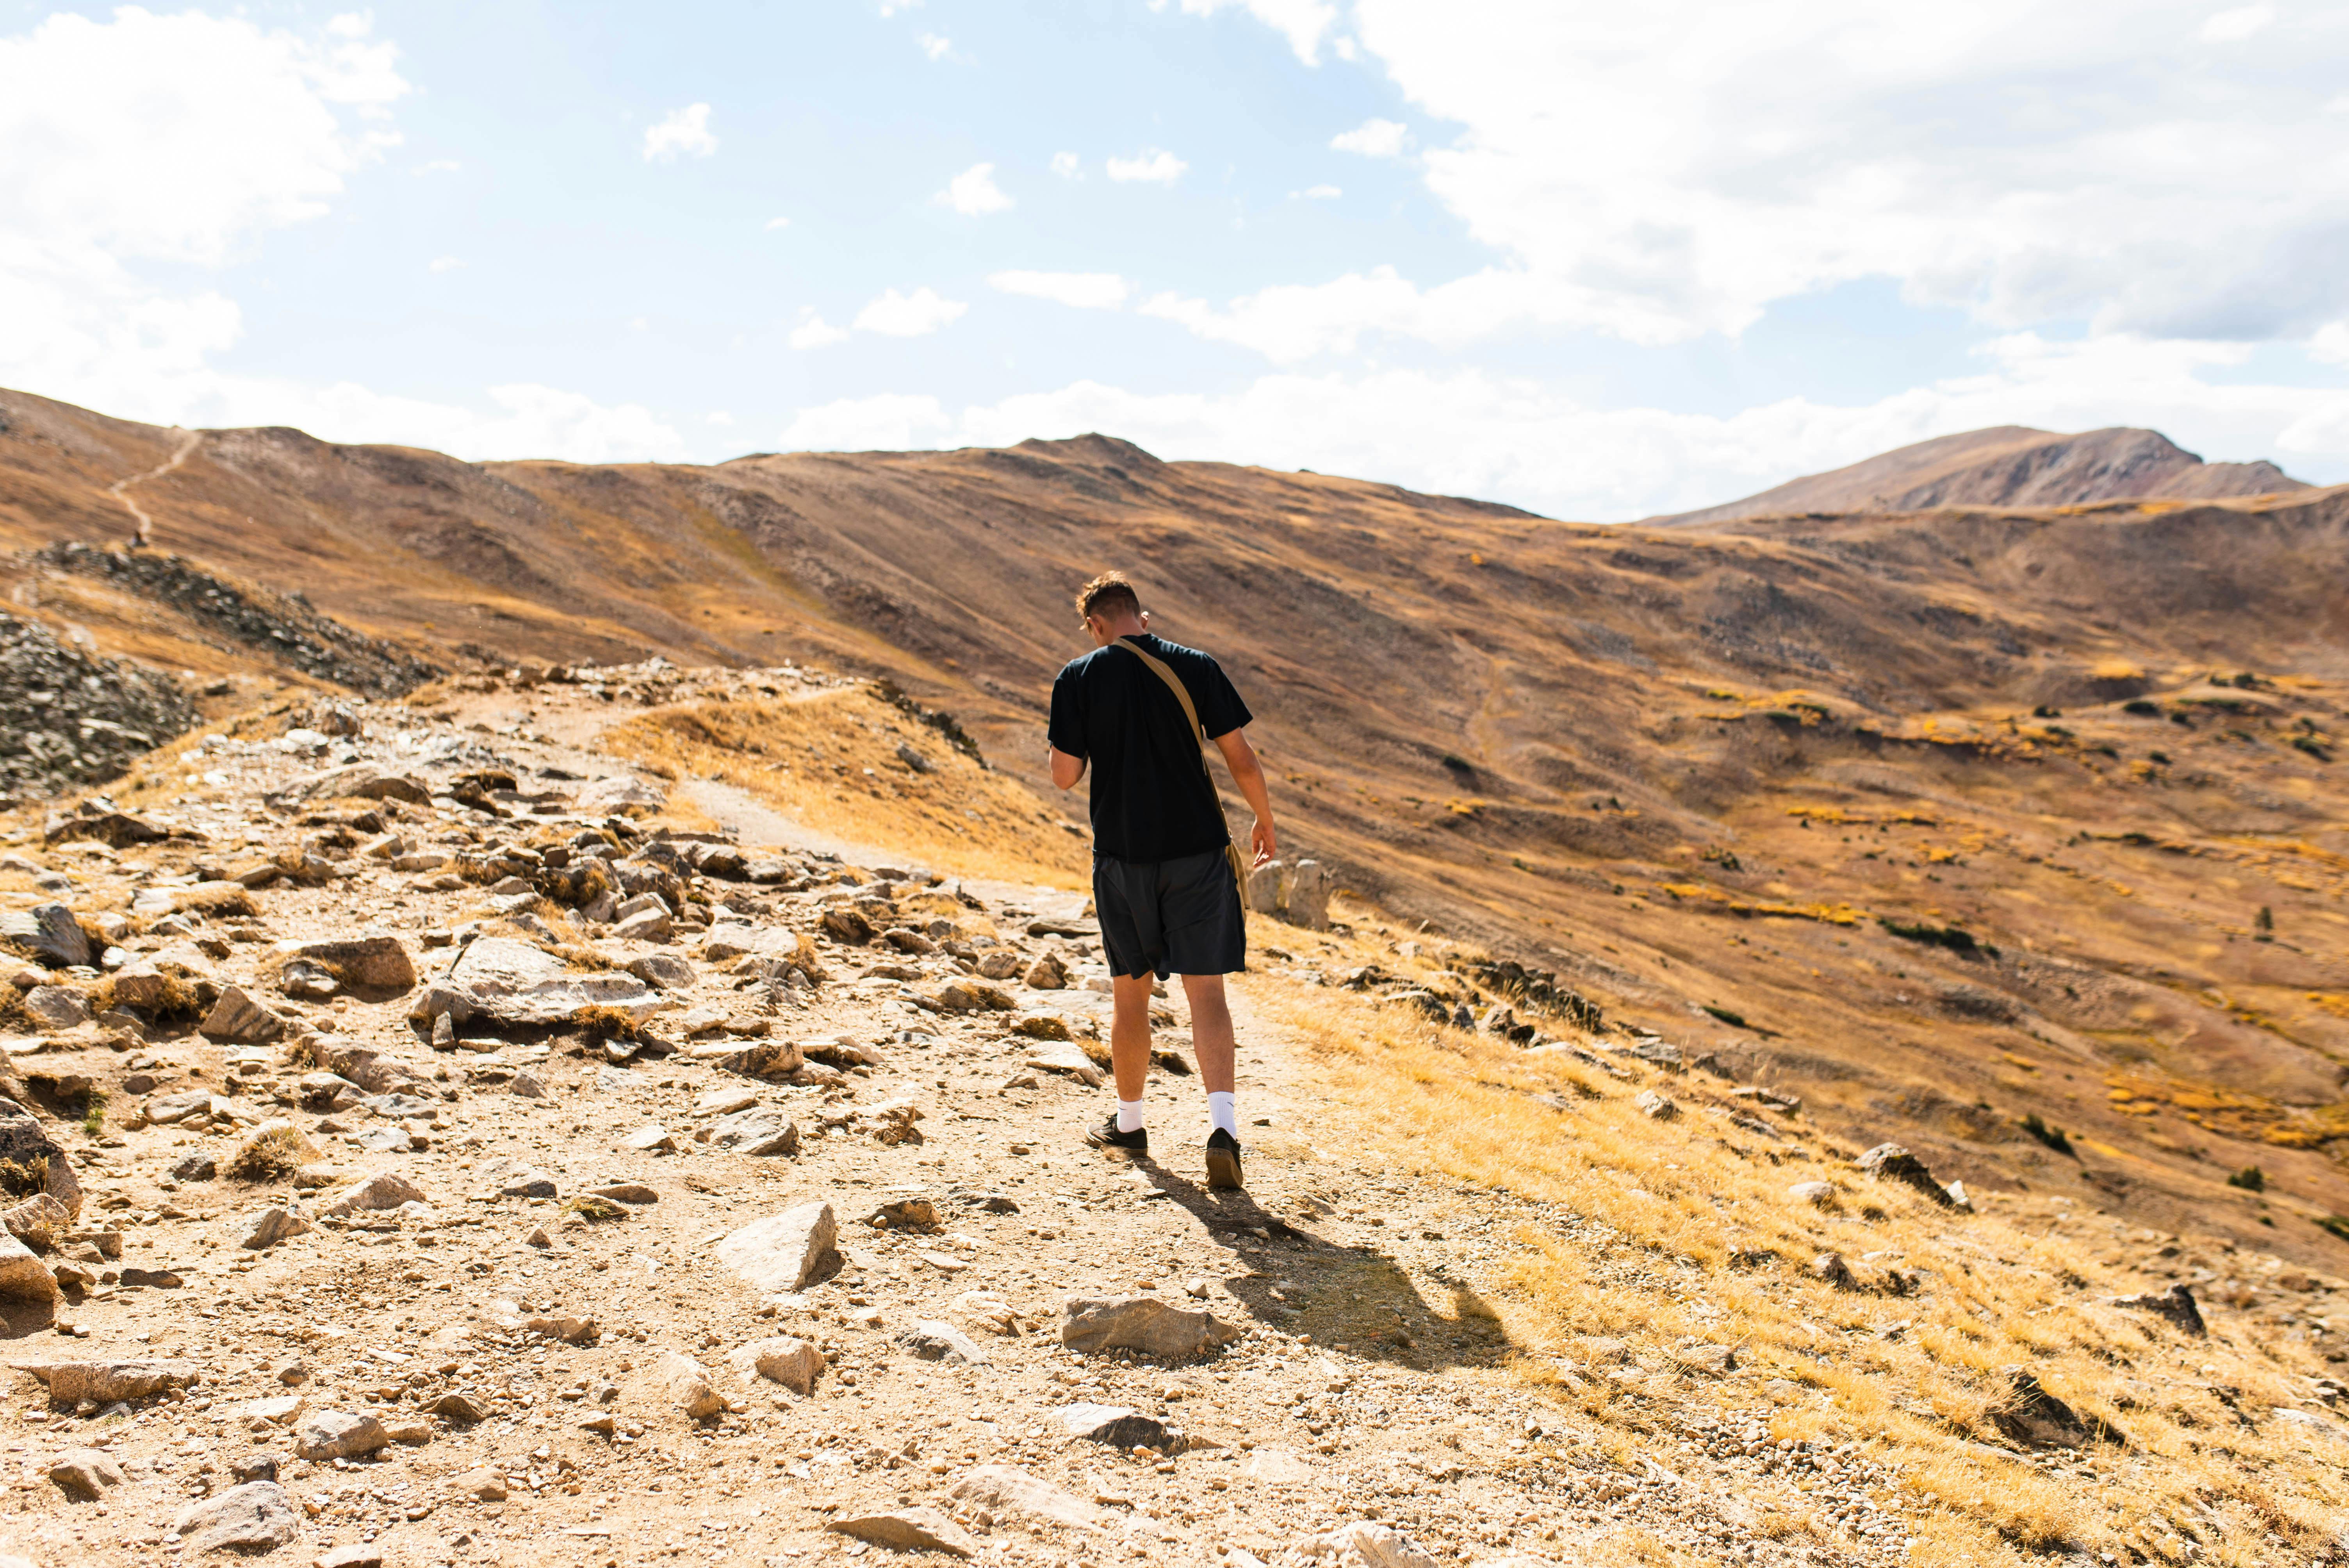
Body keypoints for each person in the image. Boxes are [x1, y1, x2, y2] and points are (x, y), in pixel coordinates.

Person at [1046, 571, 1277, 1190]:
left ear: (1096, 626)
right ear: (1141, 618)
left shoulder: (1079, 677)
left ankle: (1130, 1124)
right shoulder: (1196, 666)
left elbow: (1065, 777)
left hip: (1122, 857)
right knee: (1208, 995)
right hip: (1198, 854)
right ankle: (1224, 1129)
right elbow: (1241, 758)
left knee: (1132, 994)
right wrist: (1264, 820)